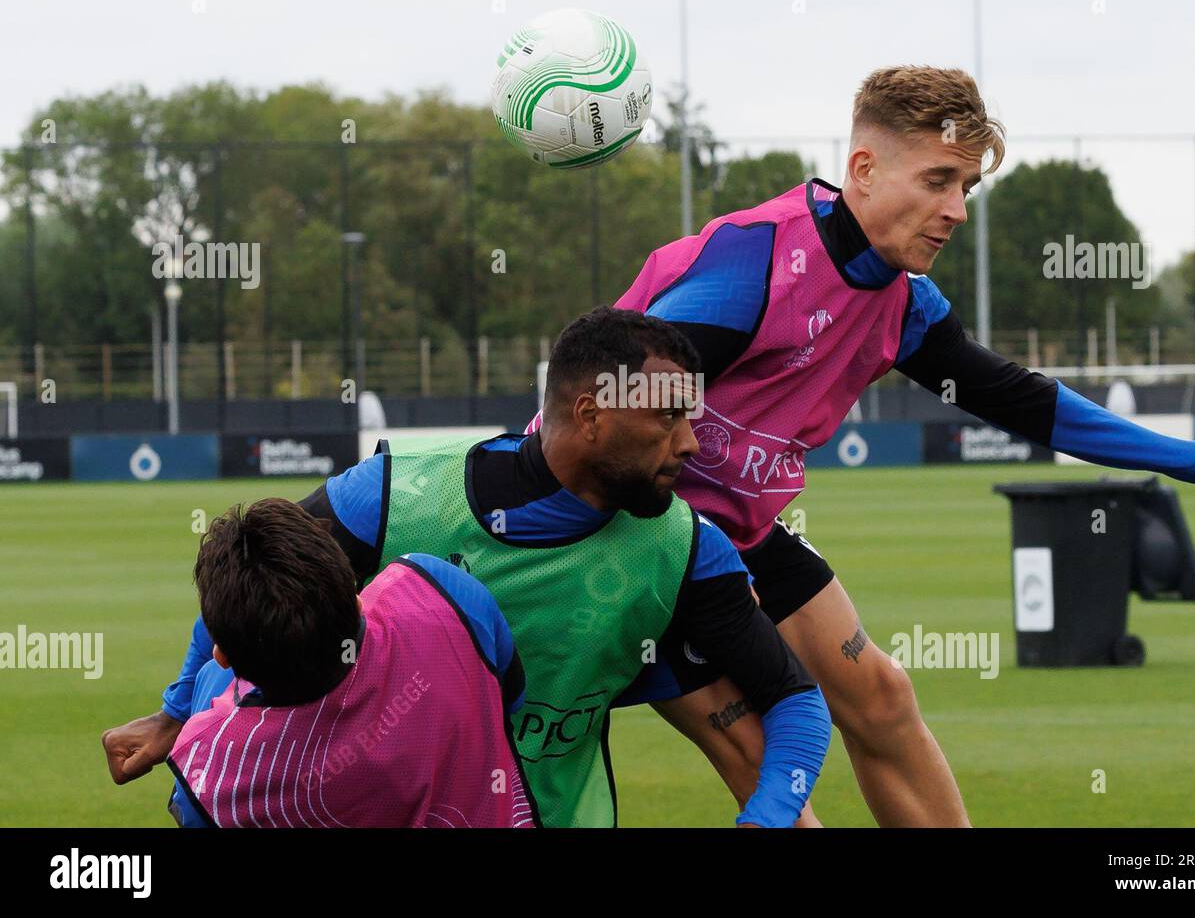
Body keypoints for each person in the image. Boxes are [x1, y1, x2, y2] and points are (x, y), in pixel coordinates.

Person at [549, 65, 1195, 826]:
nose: (956, 210)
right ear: (864, 169)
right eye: (938, 181)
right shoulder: (755, 267)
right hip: (638, 529)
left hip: (744, 530)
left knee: (883, 697)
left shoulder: (902, 303)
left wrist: (1183, 456)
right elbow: (602, 403)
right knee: (768, 761)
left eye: (965, 187)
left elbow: (1023, 399)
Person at [103, 308, 832, 828]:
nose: (693, 442)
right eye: (668, 417)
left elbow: (795, 699)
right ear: (591, 415)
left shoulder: (687, 548)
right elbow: (246, 578)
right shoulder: (392, 497)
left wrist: (765, 818)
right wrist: (175, 711)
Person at [159, 498, 534, 827]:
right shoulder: (441, 589)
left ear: (221, 654)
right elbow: (511, 699)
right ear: (356, 600)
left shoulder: (210, 765)